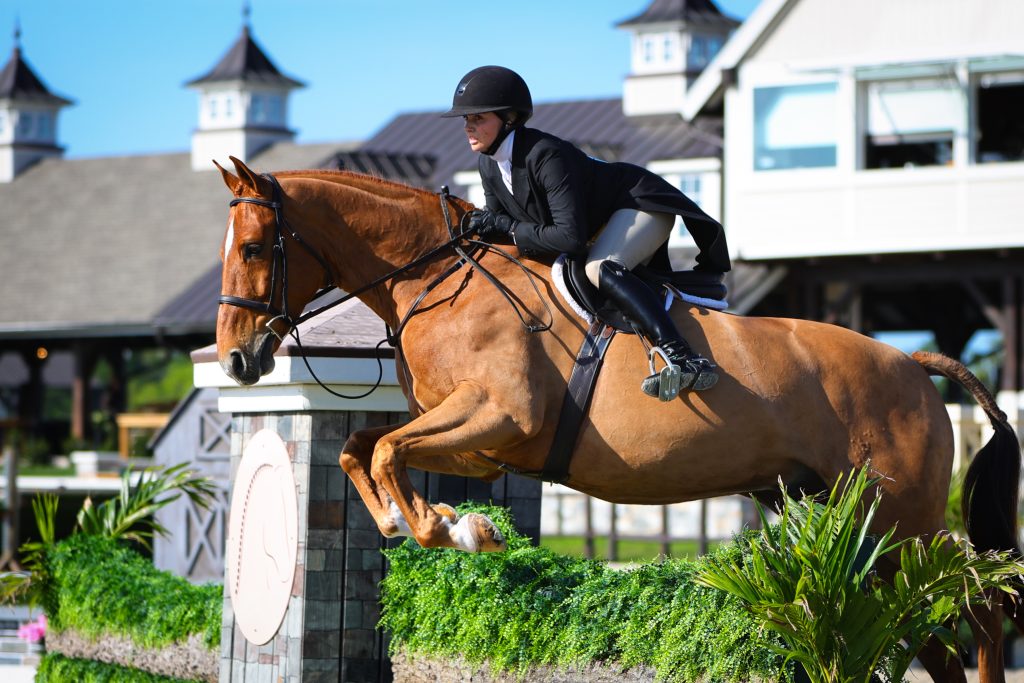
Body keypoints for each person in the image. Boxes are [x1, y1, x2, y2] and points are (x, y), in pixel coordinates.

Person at [441, 65, 731, 399]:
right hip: (598, 222)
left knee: (601, 267)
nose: (468, 127)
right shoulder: (489, 164)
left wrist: (505, 226)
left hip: (637, 204)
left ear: (508, 118)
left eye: (477, 118)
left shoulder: (546, 155)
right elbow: (499, 220)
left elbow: (569, 238)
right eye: (466, 120)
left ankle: (682, 355)